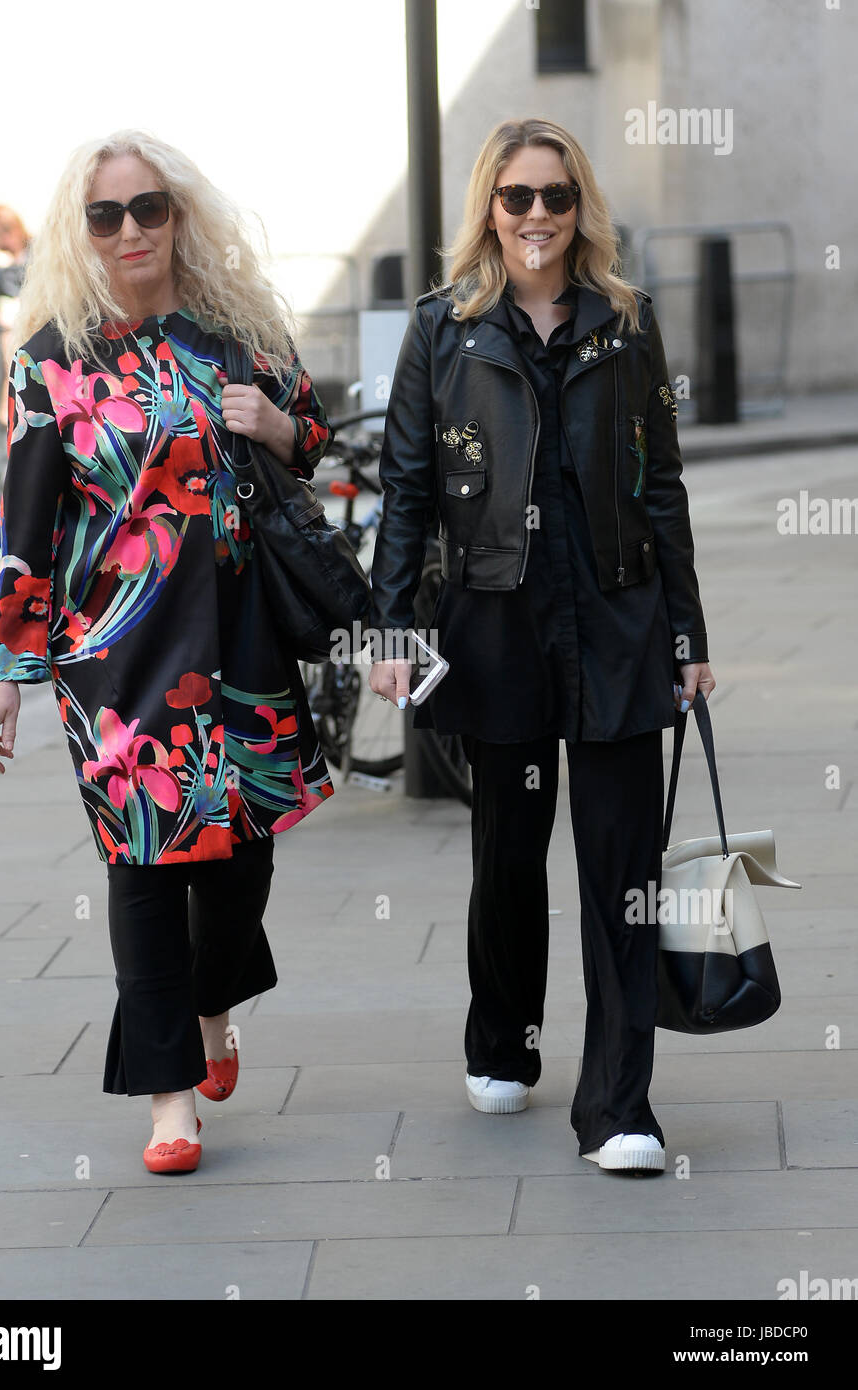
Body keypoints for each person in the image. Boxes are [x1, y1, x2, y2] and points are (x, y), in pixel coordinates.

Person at [0, 131, 335, 1175]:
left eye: (148, 208)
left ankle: (217, 995)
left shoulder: (233, 338)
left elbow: (313, 437)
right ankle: (169, 1098)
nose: (130, 230)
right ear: (78, 233)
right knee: (141, 861)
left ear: (177, 215)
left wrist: (273, 421)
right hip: (114, 656)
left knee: (244, 853)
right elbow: (26, 526)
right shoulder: (50, 361)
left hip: (245, 638)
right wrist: (9, 673)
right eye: (105, 214)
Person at [367, 117, 716, 1175]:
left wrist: (689, 631)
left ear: (580, 209)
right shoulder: (444, 330)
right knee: (510, 856)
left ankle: (618, 1108)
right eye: (516, 198)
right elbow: (408, 487)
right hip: (497, 624)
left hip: (615, 621)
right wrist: (391, 622)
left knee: (623, 868)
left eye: (555, 198)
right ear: (490, 208)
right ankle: (504, 1037)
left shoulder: (626, 322)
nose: (536, 217)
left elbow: (661, 484)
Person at [0, 206, 32, 431]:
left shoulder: (33, 248)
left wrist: (10, 265)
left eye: (3, 231)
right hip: (7, 322)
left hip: (30, 317)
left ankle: (11, 410)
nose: (1, 238)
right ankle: (9, 411)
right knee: (9, 363)